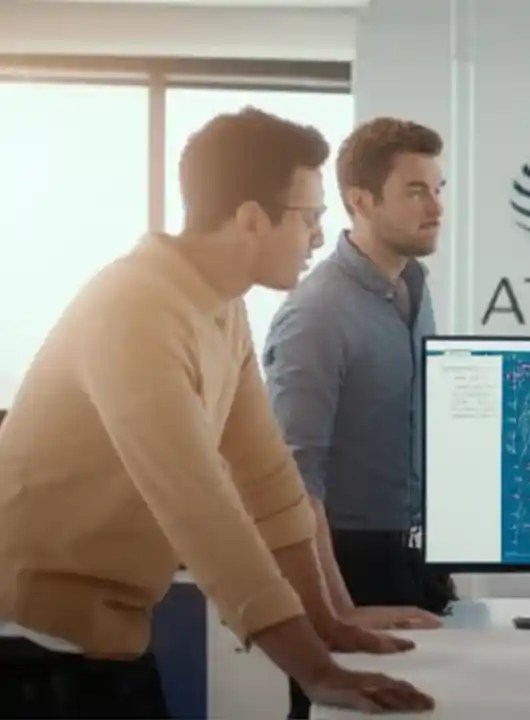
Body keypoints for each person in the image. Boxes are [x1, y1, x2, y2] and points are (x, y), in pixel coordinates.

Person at [0, 107, 433, 718]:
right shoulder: (137, 309)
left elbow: (269, 483)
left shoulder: (219, 308)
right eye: (309, 217)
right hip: (29, 651)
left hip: (104, 643)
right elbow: (203, 510)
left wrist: (330, 623)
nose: (317, 236)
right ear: (251, 219)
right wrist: (315, 671)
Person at [262, 116, 455, 718]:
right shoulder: (316, 315)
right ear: (359, 201)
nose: (436, 208)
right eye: (416, 191)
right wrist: (335, 610)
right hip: (347, 561)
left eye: (439, 189)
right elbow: (295, 479)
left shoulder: (415, 289)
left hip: (419, 556)